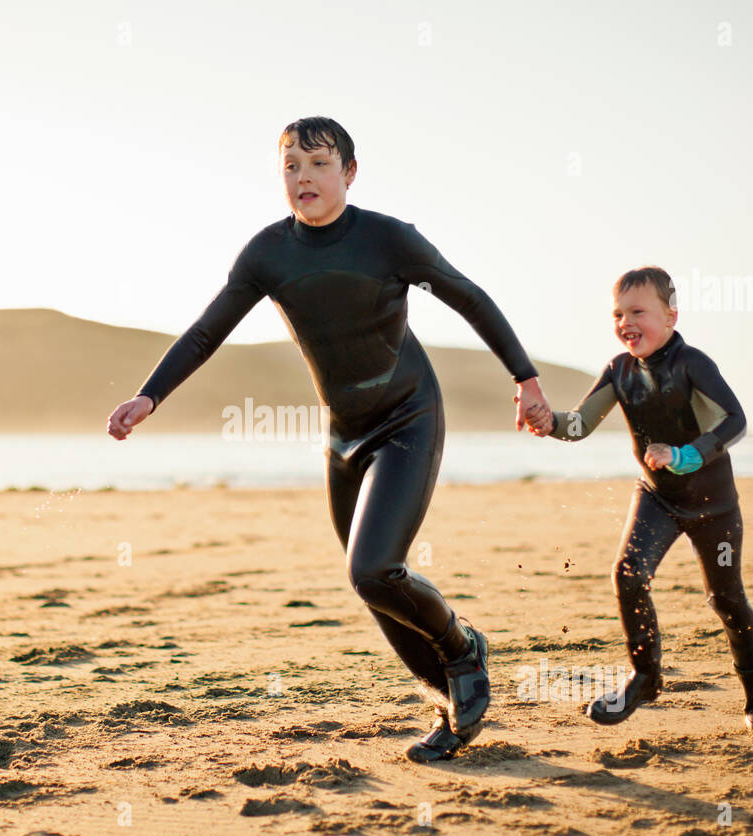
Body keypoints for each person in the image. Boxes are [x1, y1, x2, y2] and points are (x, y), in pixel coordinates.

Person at [106, 116, 552, 762]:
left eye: (318, 163)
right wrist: (149, 395)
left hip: (408, 416)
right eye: (290, 166)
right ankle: (447, 702)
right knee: (369, 583)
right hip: (344, 436)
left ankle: (462, 650)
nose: (303, 178)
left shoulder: (389, 240)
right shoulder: (268, 254)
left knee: (373, 567)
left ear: (349, 171)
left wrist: (525, 378)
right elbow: (207, 332)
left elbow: (469, 297)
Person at [530, 266, 753, 733]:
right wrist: (549, 422)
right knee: (627, 574)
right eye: (617, 313)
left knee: (725, 599)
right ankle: (645, 678)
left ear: (670, 317)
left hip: (713, 504)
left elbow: (735, 421)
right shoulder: (619, 371)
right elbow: (581, 424)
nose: (626, 321)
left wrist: (686, 455)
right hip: (657, 498)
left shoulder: (694, 364)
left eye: (637, 311)